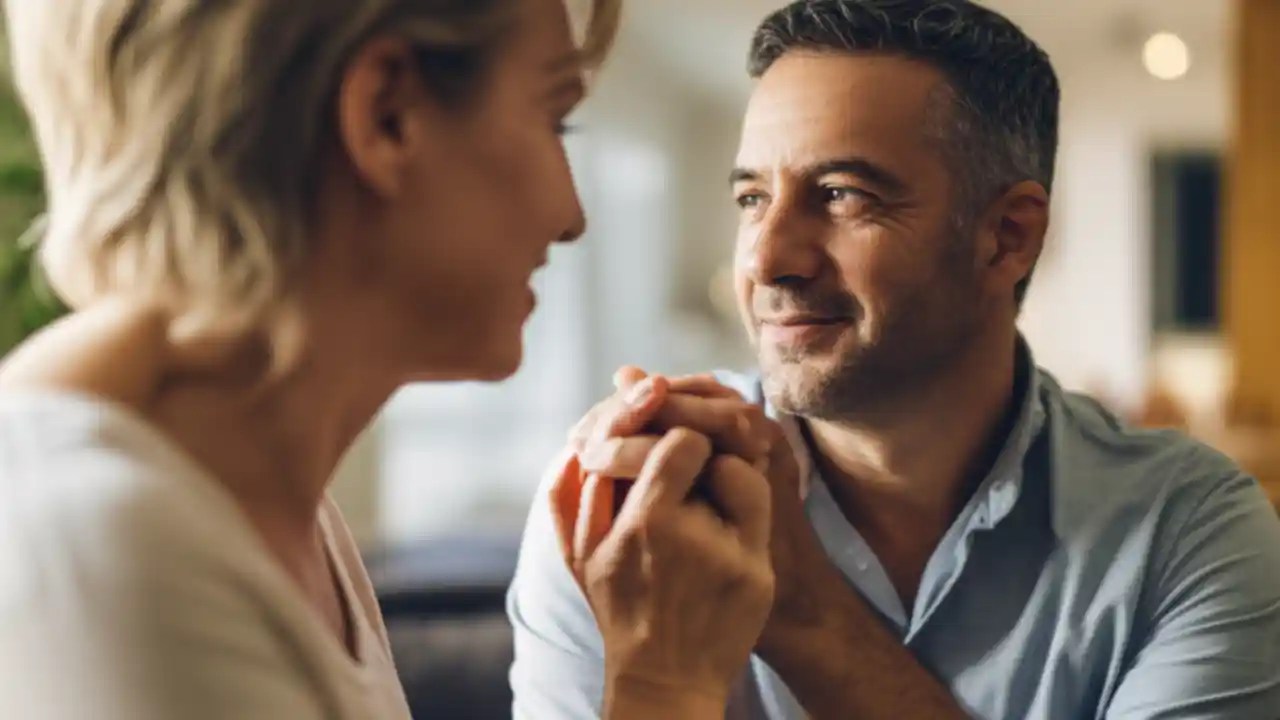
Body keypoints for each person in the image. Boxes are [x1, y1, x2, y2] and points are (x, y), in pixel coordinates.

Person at [0, 1, 775, 718]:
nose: (569, 217)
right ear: (387, 115)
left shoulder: (268, 501)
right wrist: (663, 681)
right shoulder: (105, 553)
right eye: (555, 121)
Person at [508, 1, 1280, 718]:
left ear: (1007, 236)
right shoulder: (626, 504)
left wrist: (803, 608)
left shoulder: (1188, 532)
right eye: (751, 199)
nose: (768, 258)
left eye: (842, 195)